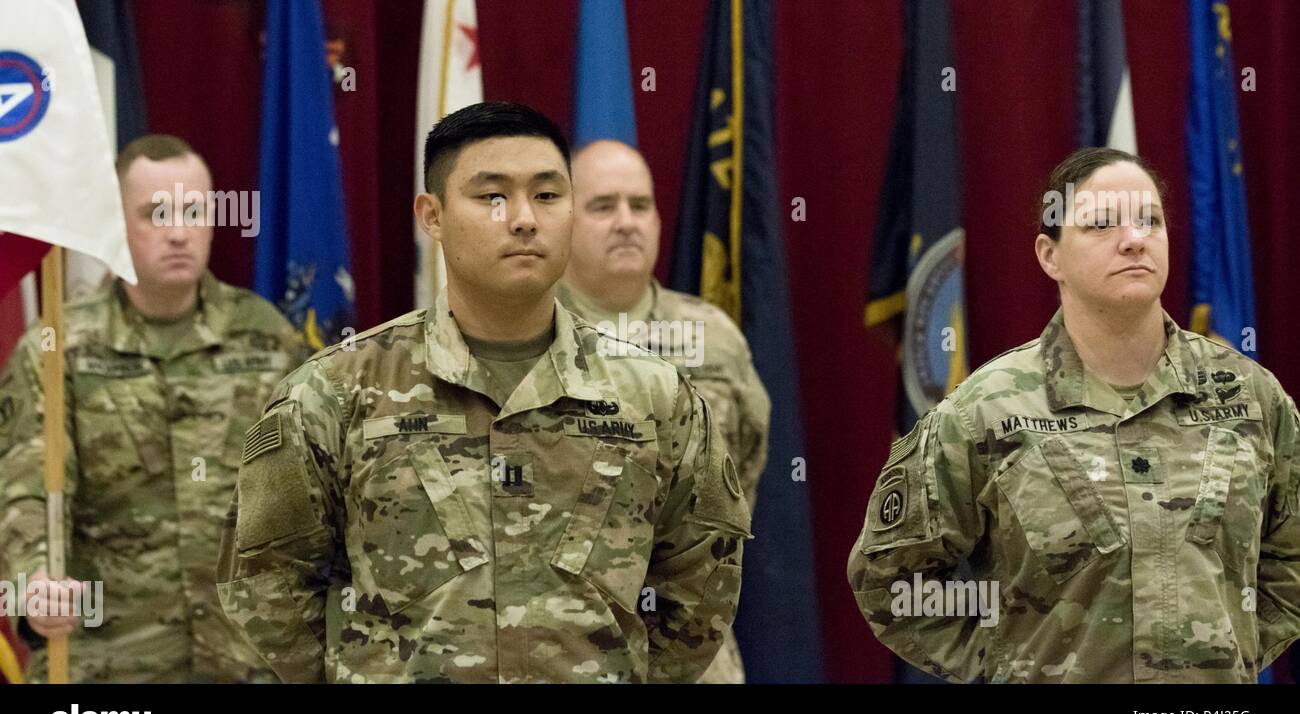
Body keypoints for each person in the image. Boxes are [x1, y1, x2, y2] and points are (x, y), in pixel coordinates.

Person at [216, 102, 751, 684]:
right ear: (433, 214)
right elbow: (264, 579)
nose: (523, 218)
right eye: (492, 196)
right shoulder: (336, 391)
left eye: (547, 196)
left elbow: (701, 588)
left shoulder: (654, 396)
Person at [848, 147, 1300, 683]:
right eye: (1102, 224)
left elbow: (1289, 564)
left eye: (1150, 220)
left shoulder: (1250, 396)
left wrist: (1231, 655)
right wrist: (1009, 664)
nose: (1134, 239)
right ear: (1050, 255)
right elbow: (890, 581)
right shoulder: (986, 411)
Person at [0, 134, 310, 682]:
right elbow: (28, 483)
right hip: (111, 657)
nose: (178, 232)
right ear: (117, 225)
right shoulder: (60, 348)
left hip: (245, 656)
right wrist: (35, 580)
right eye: (156, 213)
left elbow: (314, 487)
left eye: (194, 211)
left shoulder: (266, 339)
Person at [557, 139, 769, 683]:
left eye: (641, 205)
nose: (626, 222)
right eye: (603, 206)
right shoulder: (524, 335)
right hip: (552, 643)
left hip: (691, 643)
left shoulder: (713, 338)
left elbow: (741, 473)